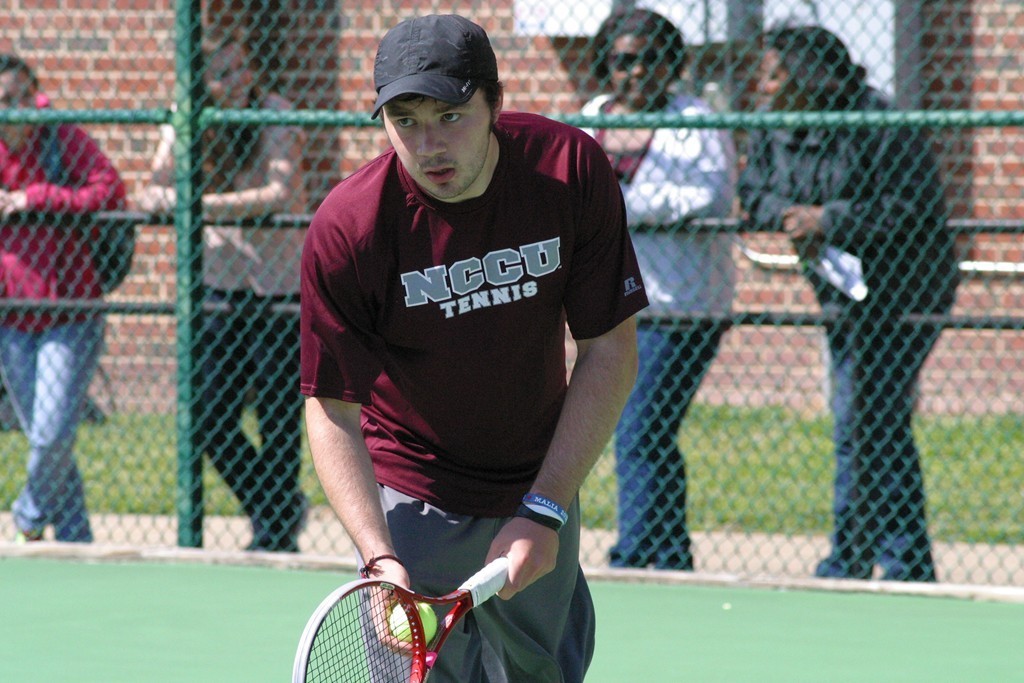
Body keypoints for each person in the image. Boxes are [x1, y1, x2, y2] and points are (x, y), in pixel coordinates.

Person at [300, 14, 646, 681]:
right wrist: (379, 558)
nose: (429, 144)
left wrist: (543, 508)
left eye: (450, 116)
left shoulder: (569, 171)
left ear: (495, 103)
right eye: (405, 120)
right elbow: (333, 410)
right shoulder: (349, 229)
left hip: (537, 484)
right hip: (412, 495)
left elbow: (609, 350)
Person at [738, 26, 959, 581]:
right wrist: (791, 216)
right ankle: (884, 556)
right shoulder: (775, 126)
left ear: (808, 76)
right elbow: (754, 193)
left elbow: (909, 206)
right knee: (868, 419)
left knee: (869, 417)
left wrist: (829, 219)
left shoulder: (879, 121)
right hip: (843, 293)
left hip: (908, 292)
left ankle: (880, 557)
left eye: (774, 74)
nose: (761, 85)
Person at [136, 32, 308, 552]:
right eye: (223, 73)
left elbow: (275, 195)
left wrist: (195, 204)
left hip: (277, 289)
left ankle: (274, 535)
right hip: (219, 289)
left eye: (241, 69)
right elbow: (150, 190)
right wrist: (217, 203)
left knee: (278, 418)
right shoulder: (186, 118)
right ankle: (277, 507)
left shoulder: (277, 112)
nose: (237, 82)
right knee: (210, 416)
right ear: (202, 81)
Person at [581, 8, 736, 570]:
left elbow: (711, 195)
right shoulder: (590, 120)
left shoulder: (696, 120)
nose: (637, 72)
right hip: (613, 308)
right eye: (623, 61)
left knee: (641, 424)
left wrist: (622, 207)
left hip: (683, 305)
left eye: (650, 59)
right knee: (650, 430)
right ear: (607, 64)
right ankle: (669, 551)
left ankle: (638, 549)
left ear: (671, 64)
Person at [0, 54, 127, 542]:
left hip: (69, 312)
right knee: (46, 441)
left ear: (35, 94)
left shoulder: (60, 136)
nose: (13, 110)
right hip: (11, 315)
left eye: (19, 98)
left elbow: (108, 190)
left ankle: (29, 520)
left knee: (51, 434)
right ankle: (76, 538)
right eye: (3, 101)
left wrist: (37, 197)